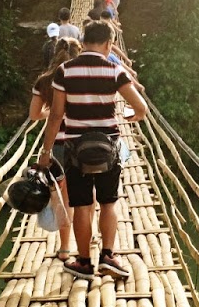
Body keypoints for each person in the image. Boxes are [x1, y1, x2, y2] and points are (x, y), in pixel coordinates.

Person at [37, 19, 149, 281]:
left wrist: (45, 152)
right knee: (109, 203)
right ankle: (108, 256)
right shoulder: (114, 69)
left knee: (83, 205)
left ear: (84, 40)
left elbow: (55, 115)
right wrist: (131, 117)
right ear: (109, 44)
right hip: (108, 147)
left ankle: (85, 262)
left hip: (76, 149)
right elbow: (141, 107)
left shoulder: (64, 71)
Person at [29, 37, 82, 261]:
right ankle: (87, 240)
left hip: (57, 145)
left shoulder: (43, 81)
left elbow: (34, 115)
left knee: (63, 198)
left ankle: (64, 248)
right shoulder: (81, 79)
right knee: (83, 196)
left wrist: (49, 115)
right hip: (80, 141)